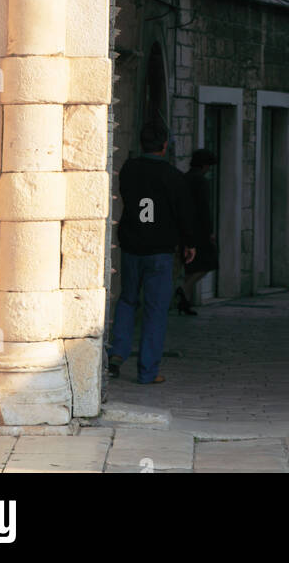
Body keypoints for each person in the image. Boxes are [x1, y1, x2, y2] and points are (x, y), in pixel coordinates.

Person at [108, 120, 196, 384]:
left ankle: (117, 354)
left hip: (132, 247)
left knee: (127, 299)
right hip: (159, 250)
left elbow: (127, 196)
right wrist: (189, 243)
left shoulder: (129, 169)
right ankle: (147, 371)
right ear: (165, 146)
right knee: (155, 310)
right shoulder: (173, 177)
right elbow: (184, 214)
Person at [175, 148, 218, 314]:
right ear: (205, 165)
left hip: (185, 228)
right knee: (208, 262)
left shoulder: (185, 179)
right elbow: (204, 209)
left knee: (191, 266)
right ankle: (184, 289)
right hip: (199, 230)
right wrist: (209, 231)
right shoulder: (200, 181)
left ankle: (185, 301)